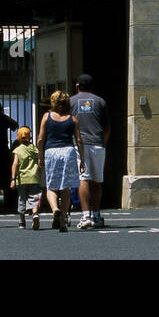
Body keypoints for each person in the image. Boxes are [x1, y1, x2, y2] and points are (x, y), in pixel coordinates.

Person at [36, 89, 83, 232]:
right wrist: (83, 159)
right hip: (68, 152)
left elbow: (40, 139)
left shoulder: (46, 117)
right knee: (66, 188)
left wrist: (40, 156)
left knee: (51, 186)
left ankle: (55, 209)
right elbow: (79, 141)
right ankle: (62, 221)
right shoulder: (73, 119)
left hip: (51, 152)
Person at [70, 73, 110, 229]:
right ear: (92, 87)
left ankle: (86, 215)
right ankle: (96, 214)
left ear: (77, 86)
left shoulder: (71, 101)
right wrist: (103, 143)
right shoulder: (100, 101)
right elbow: (107, 127)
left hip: (80, 144)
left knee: (83, 178)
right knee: (97, 180)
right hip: (98, 144)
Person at [9, 126, 42, 229]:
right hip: (34, 178)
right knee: (34, 198)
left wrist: (13, 179)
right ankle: (35, 214)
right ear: (30, 137)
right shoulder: (35, 149)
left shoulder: (17, 150)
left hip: (22, 179)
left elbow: (15, 164)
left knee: (22, 198)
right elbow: (40, 162)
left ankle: (22, 221)